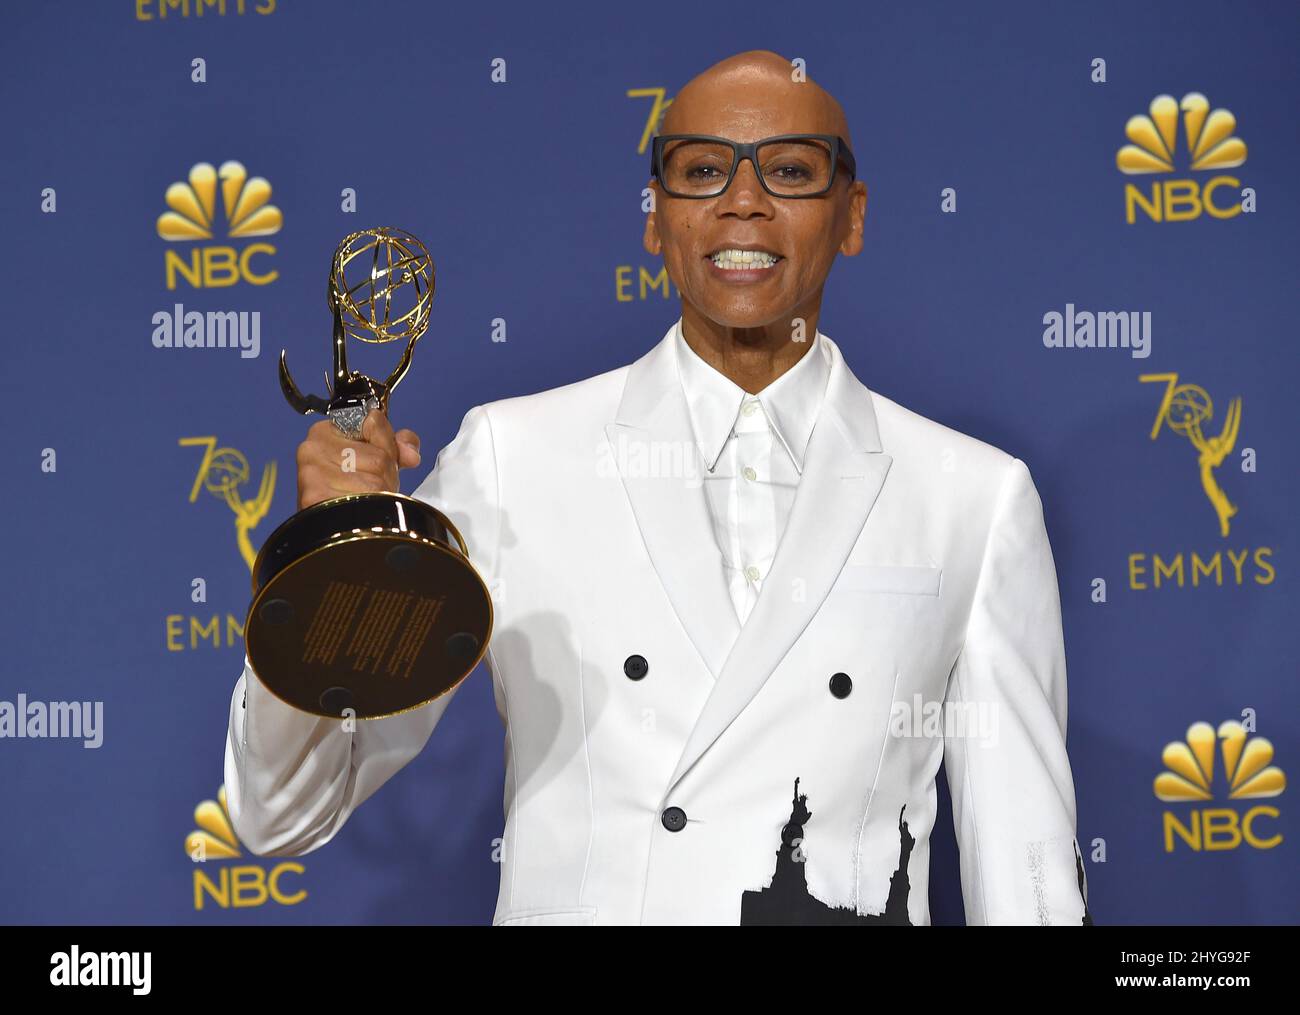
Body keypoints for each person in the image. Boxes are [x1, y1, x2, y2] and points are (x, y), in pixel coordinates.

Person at [224, 49, 1089, 925]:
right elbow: (282, 811)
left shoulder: (973, 497)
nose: (742, 201)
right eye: (702, 170)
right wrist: (337, 562)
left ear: (851, 215)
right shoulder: (514, 457)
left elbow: (1029, 875)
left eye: (790, 170)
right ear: (655, 217)